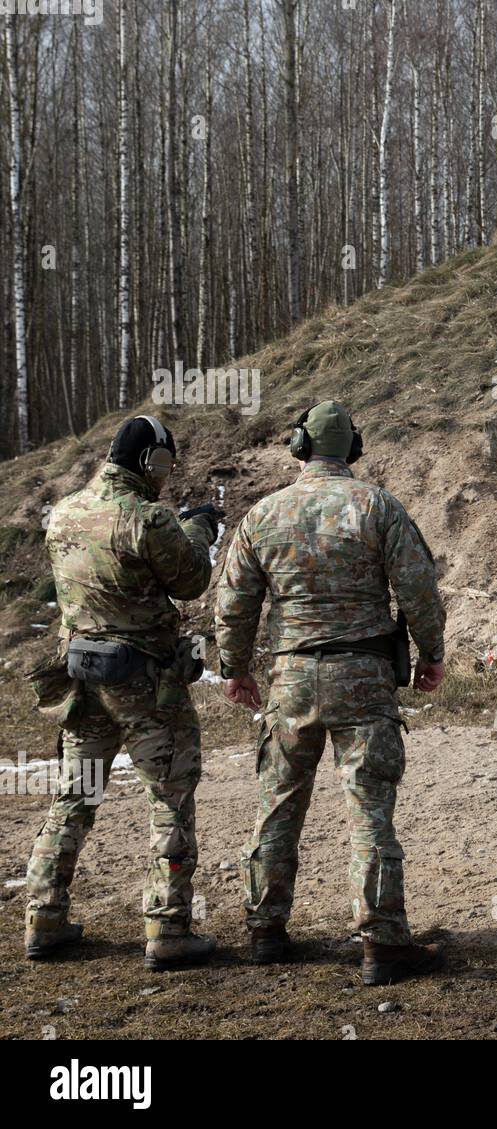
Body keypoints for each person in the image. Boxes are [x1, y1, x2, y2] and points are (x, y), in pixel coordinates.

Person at [215, 400, 447, 986]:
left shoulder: (263, 514)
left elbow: (235, 602)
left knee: (279, 804)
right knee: (369, 808)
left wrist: (234, 667)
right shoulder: (376, 505)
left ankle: (266, 930)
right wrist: (431, 654)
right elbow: (418, 586)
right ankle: (381, 943)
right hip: (364, 676)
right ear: (352, 448)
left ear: (298, 447)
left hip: (290, 679)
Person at [25, 415, 220, 971]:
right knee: (170, 800)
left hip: (82, 682)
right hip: (146, 687)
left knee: (74, 798)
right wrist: (199, 530)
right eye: (165, 467)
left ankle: (44, 916)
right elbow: (189, 581)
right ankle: (167, 927)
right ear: (150, 464)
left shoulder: (64, 511)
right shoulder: (149, 516)